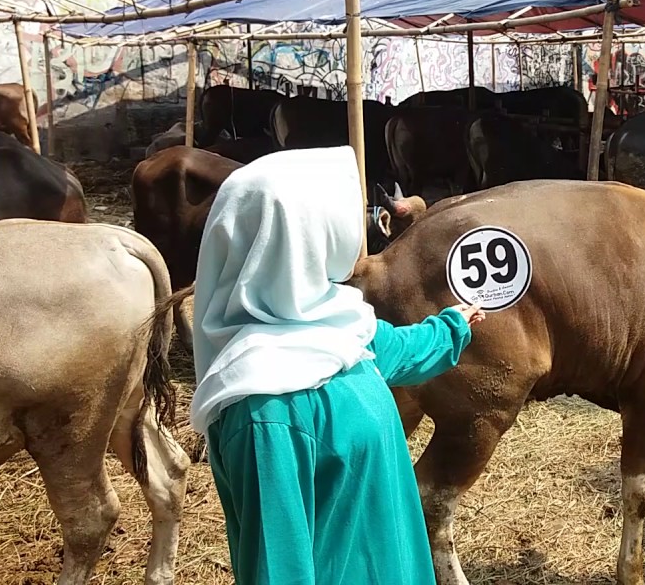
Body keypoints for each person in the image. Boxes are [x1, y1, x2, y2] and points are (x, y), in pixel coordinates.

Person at [189, 145, 485, 585]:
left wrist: (452, 326)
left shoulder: (333, 326)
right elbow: (278, 570)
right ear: (303, 237)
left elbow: (399, 350)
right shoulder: (264, 413)